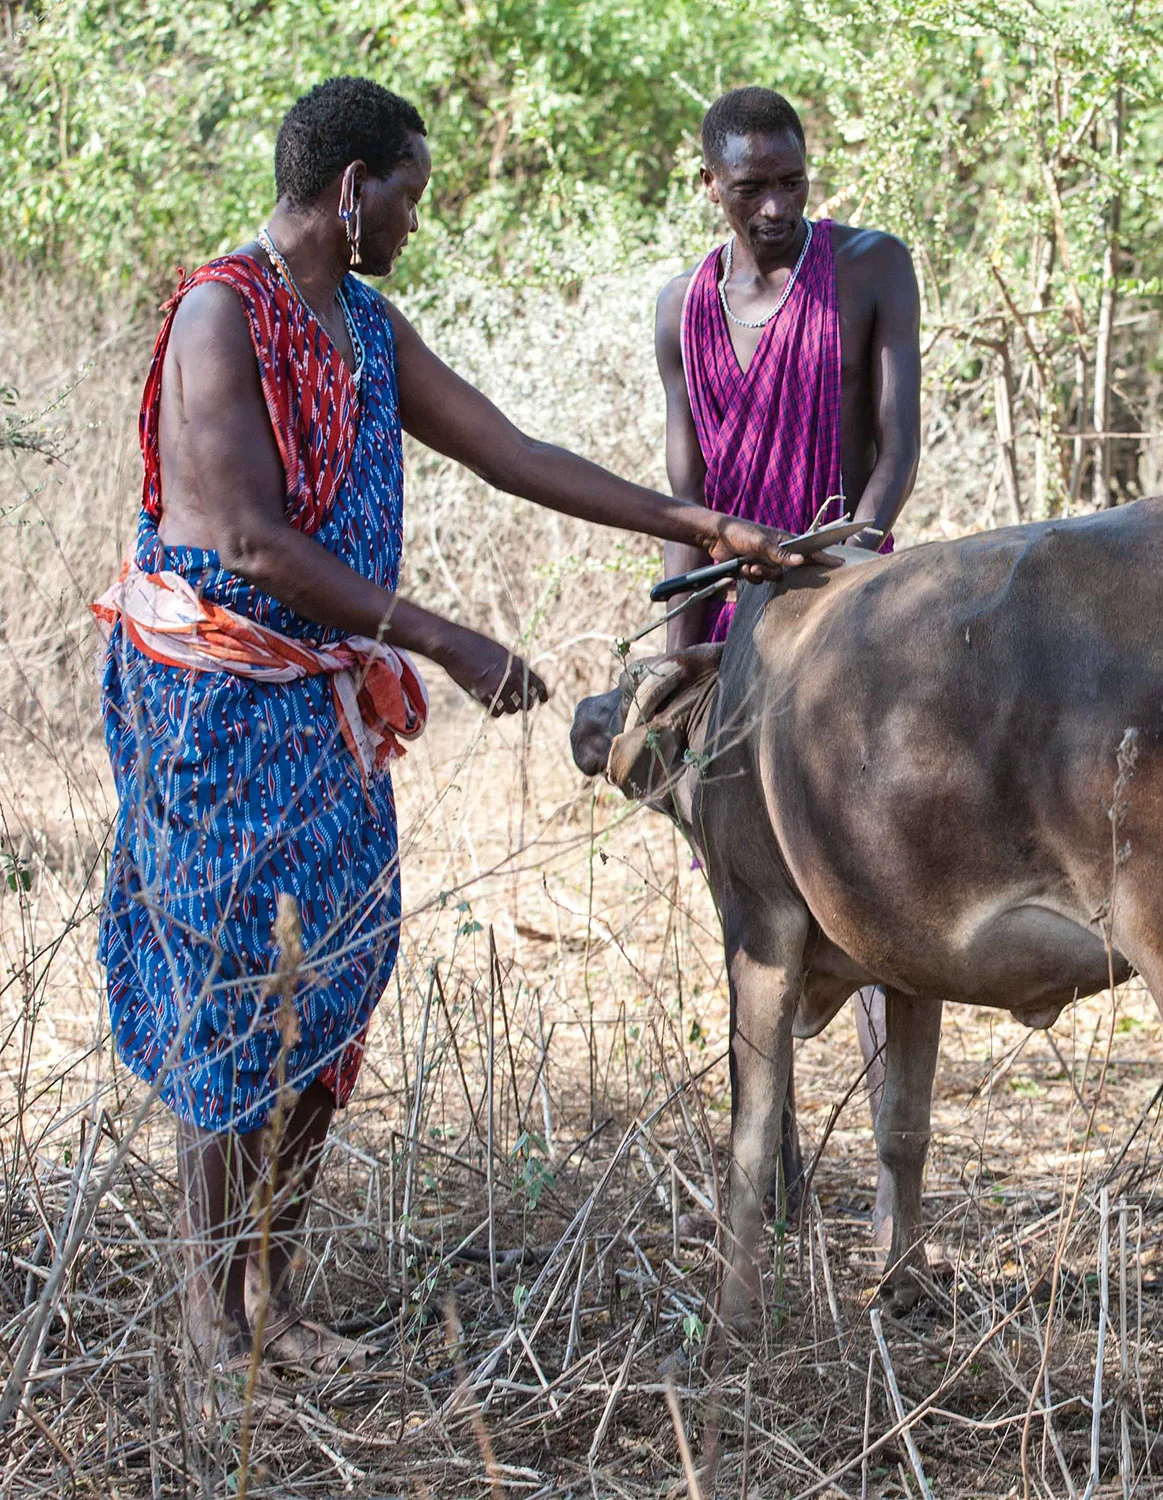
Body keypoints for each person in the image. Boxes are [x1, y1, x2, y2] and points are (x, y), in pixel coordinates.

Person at [94, 76, 813, 1380]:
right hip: (212, 697)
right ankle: (209, 1326)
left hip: (319, 700)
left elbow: (510, 451)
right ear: (351, 190)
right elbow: (246, 539)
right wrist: (446, 639)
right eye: (409, 198)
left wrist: (703, 527)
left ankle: (270, 1295)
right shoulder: (220, 314)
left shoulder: (366, 325)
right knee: (233, 992)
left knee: (334, 973)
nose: (415, 223)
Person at [654, 86, 925, 1246]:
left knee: (879, 887)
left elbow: (896, 443)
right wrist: (680, 665)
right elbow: (682, 497)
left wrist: (854, 557)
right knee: (752, 909)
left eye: (790, 182)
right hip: (731, 627)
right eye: (749, 187)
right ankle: (770, 1180)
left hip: (849, 614)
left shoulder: (868, 268)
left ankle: (895, 1190)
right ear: (707, 186)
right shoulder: (680, 309)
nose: (773, 206)